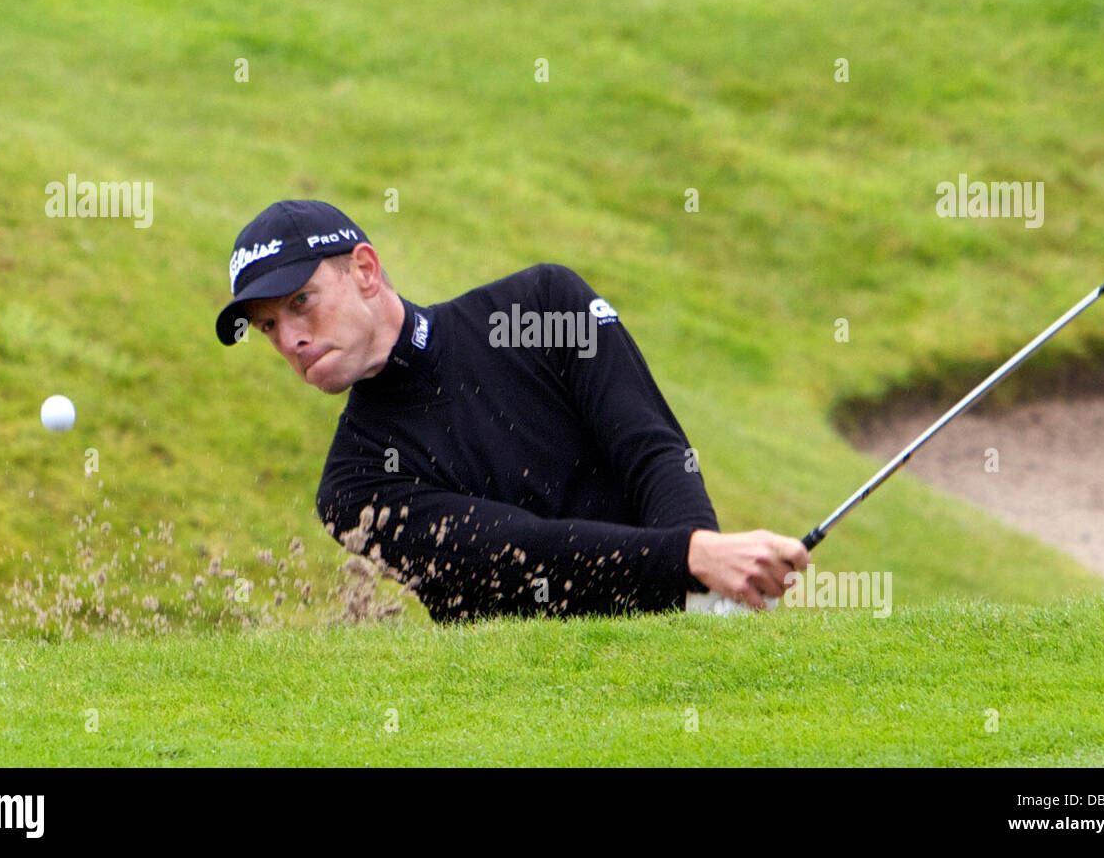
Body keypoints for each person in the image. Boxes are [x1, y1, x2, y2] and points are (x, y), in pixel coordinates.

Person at [216, 200, 809, 621]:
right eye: (269, 325)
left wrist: (707, 583)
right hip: (531, 713)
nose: (289, 339)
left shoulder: (541, 306)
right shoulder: (352, 488)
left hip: (673, 629)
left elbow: (651, 449)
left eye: (301, 302)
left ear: (365, 271)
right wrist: (691, 559)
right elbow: (519, 550)